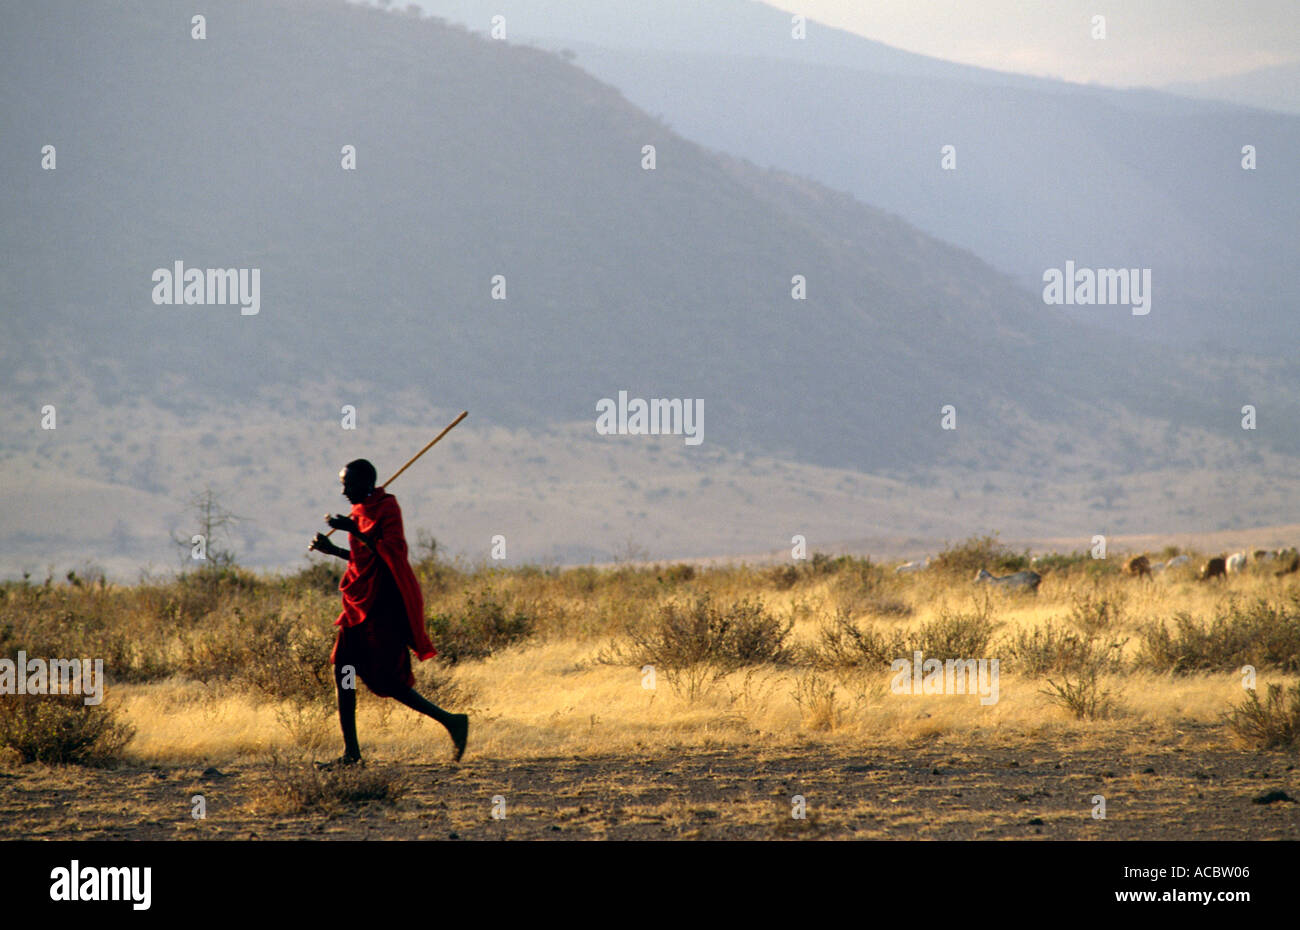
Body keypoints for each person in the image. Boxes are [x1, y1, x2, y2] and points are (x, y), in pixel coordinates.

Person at [308, 458, 468, 766]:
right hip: (358, 605)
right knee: (343, 666)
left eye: (349, 484)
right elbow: (361, 560)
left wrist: (353, 529)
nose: (344, 491)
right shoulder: (358, 511)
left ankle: (452, 722)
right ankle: (351, 753)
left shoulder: (388, 508)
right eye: (342, 484)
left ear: (367, 483)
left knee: (390, 681)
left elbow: (391, 552)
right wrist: (334, 550)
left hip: (383, 606)